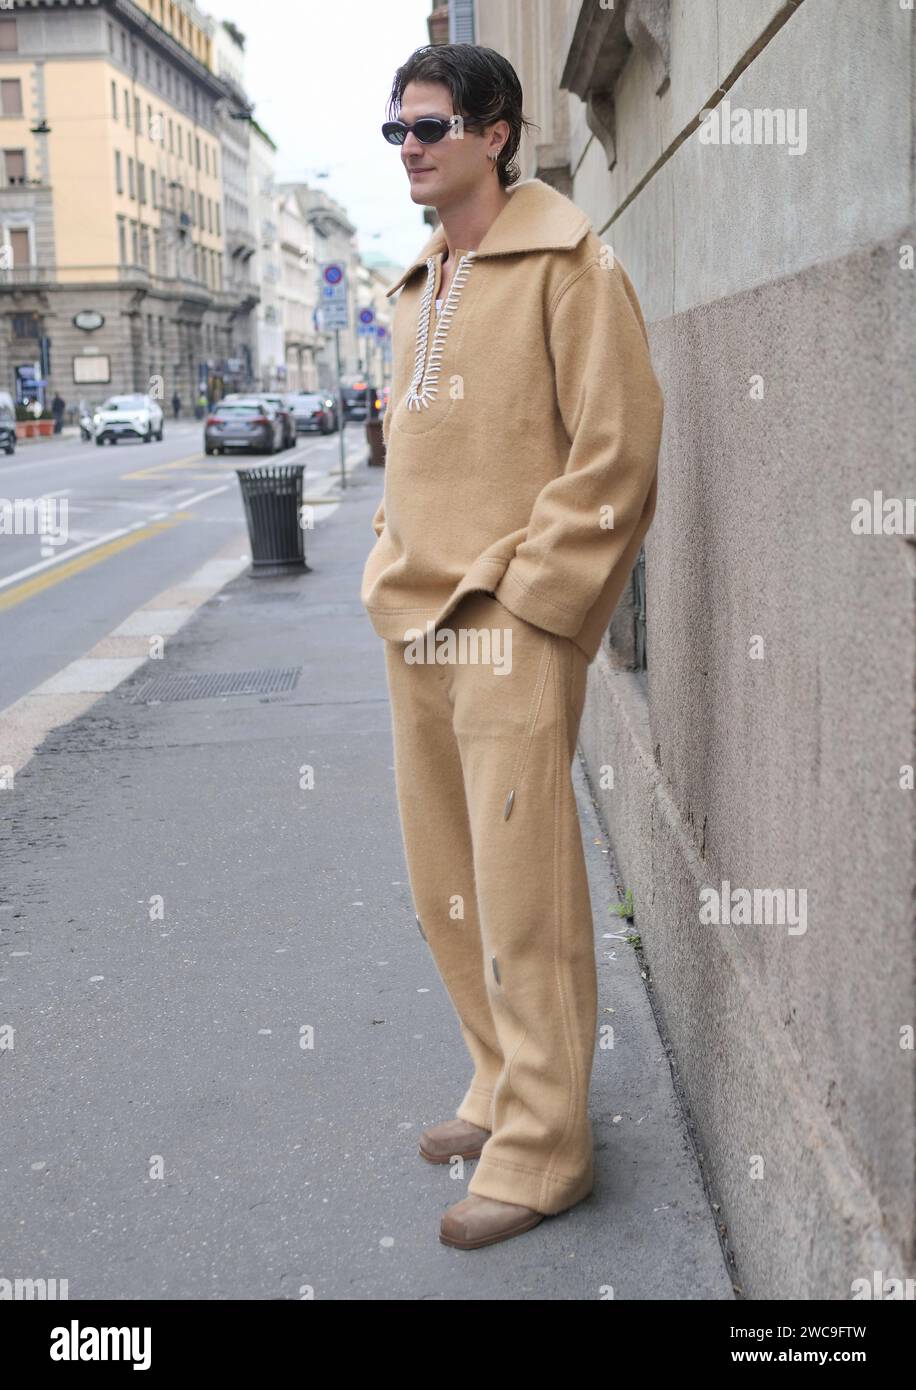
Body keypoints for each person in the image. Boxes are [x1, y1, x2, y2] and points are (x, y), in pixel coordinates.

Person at [360, 44, 664, 1250]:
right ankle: (499, 1085)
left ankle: (547, 1151)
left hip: (505, 624)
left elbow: (618, 447)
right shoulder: (414, 284)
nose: (411, 148)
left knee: (524, 893)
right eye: (395, 132)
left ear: (495, 132)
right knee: (448, 884)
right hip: (411, 618)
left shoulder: (571, 265)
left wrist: (534, 601)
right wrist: (388, 553)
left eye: (429, 126)